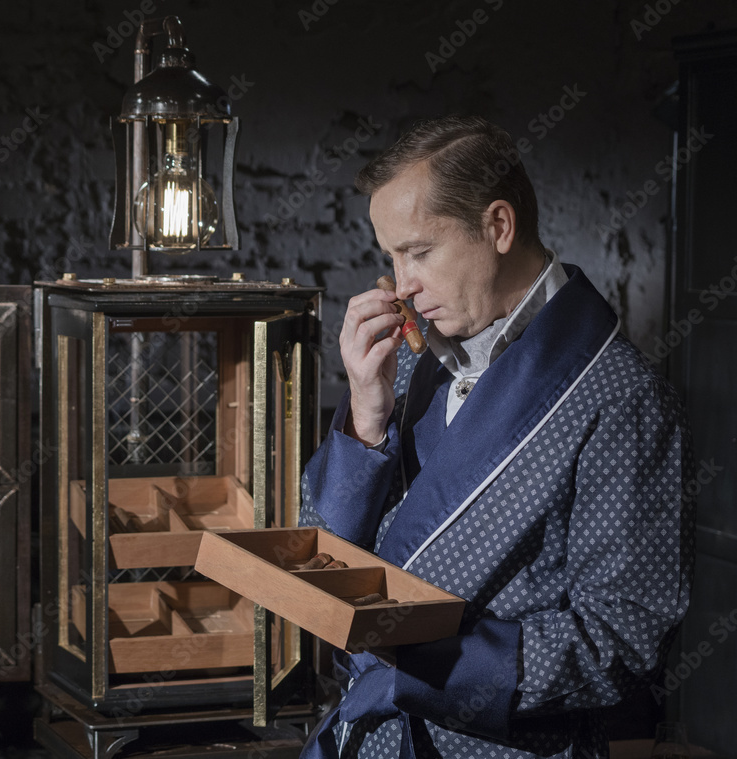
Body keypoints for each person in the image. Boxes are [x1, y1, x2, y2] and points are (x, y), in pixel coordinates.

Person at [298, 115, 695, 758]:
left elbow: (623, 641)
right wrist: (367, 420)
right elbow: (321, 552)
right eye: (391, 258)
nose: (401, 286)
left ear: (498, 226)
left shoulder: (622, 399)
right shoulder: (410, 364)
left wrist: (418, 663)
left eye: (420, 252)